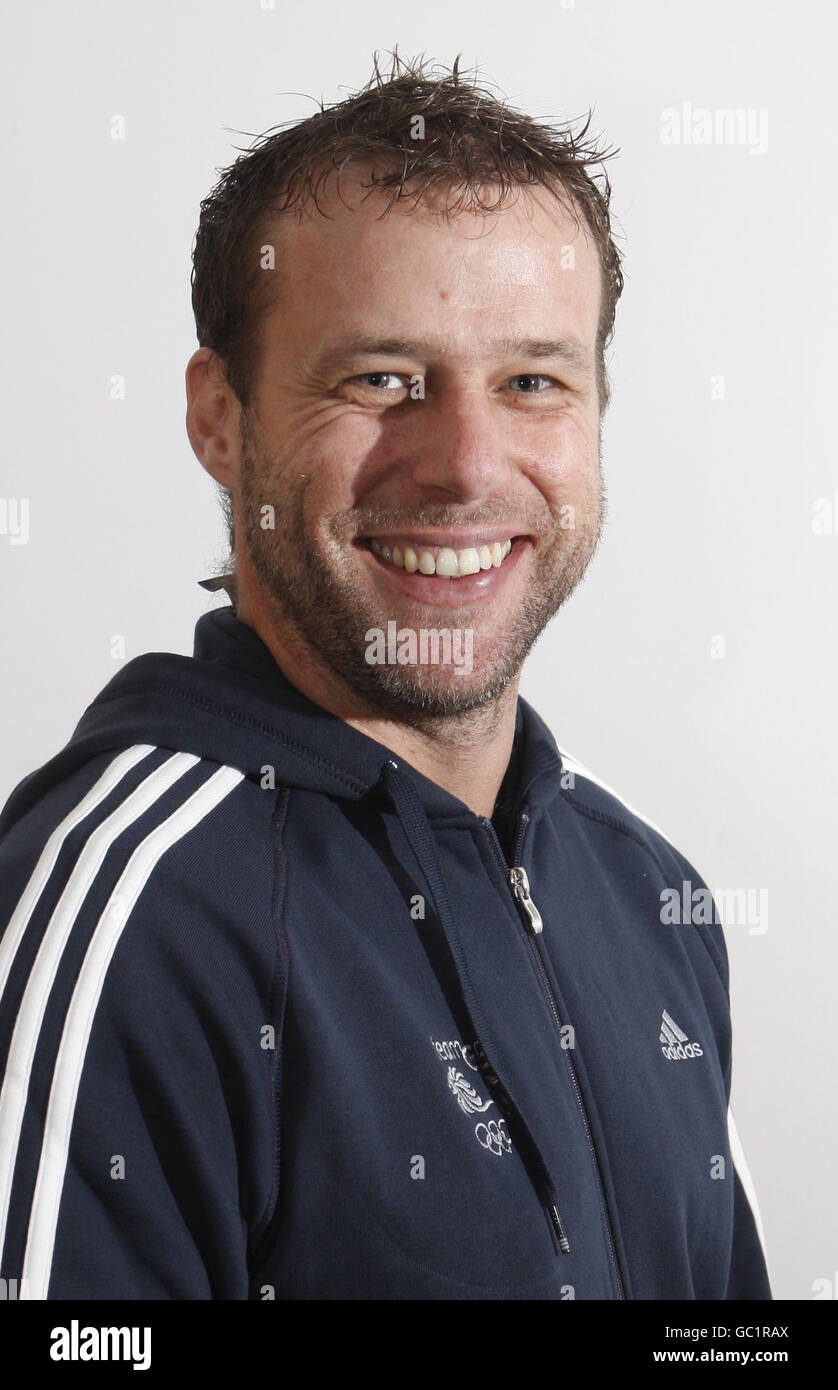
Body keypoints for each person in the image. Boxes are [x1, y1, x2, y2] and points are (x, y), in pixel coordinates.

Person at [0, 52, 771, 1300]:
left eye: (532, 381)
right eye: (380, 380)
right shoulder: (127, 911)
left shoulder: (647, 890)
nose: (466, 463)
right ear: (220, 416)